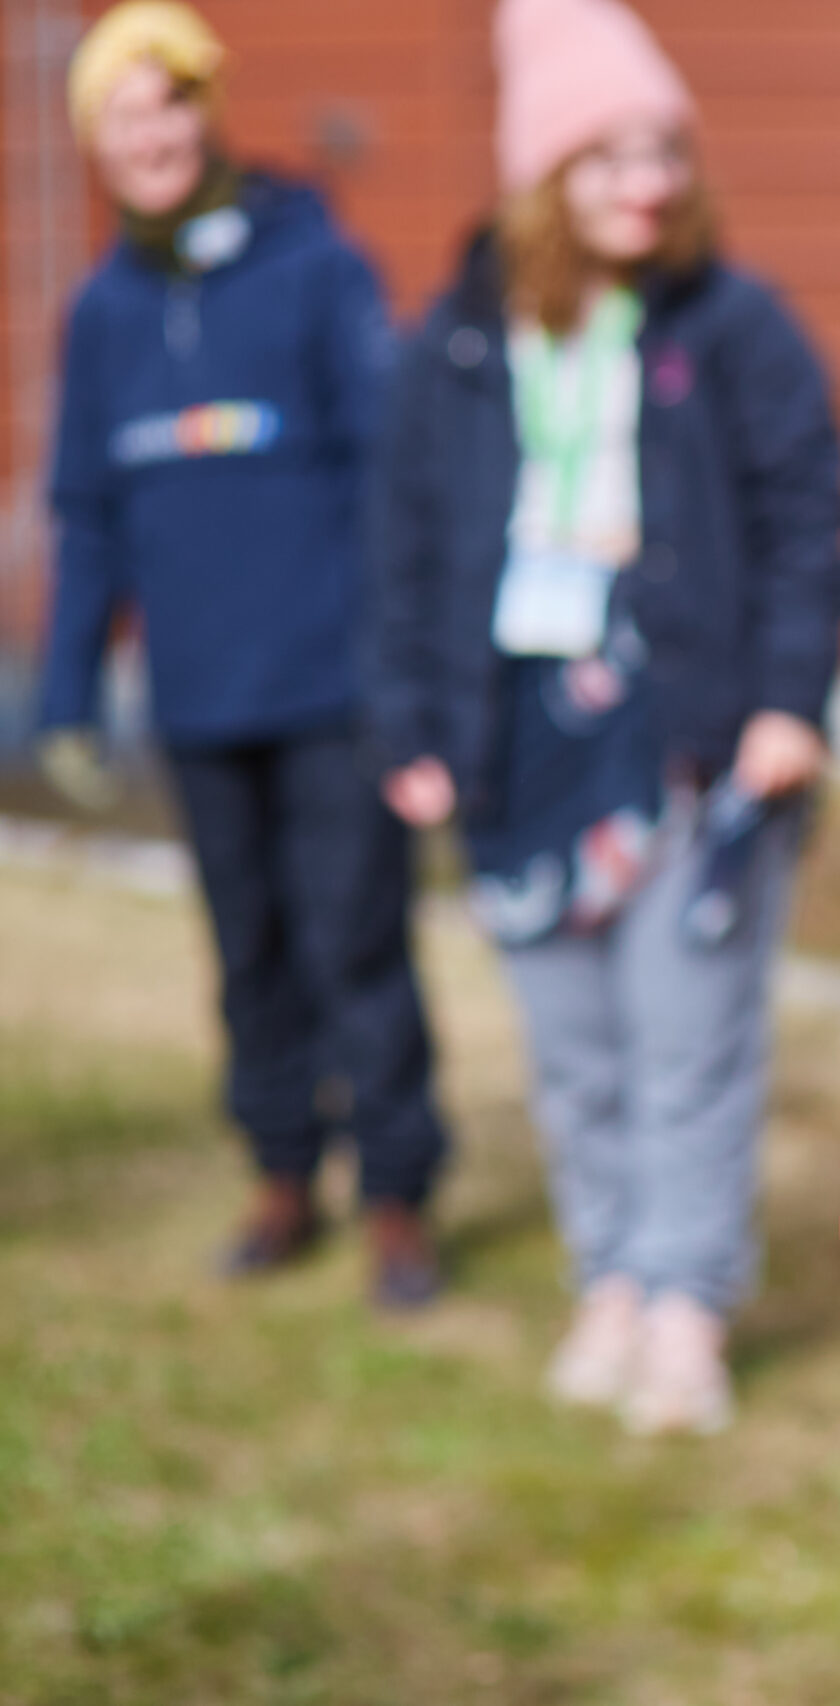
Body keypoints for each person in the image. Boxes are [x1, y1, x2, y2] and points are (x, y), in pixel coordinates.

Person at [366, 0, 840, 1435]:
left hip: (688, 736)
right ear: (541, 175)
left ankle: (687, 1301)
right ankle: (612, 1282)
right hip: (518, 741)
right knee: (573, 1048)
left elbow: (808, 520)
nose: (645, 182)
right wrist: (409, 726)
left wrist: (789, 701)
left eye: (665, 151)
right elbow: (397, 547)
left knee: (685, 1036)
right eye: (607, 156)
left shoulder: (736, 325)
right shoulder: (454, 343)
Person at [35, 1, 447, 1308]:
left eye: (167, 106)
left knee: (357, 943)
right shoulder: (101, 313)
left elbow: (389, 475)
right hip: (199, 701)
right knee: (247, 947)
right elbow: (87, 509)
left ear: (207, 112)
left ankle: (396, 1196)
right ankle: (282, 1172)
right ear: (95, 145)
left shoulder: (315, 264)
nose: (147, 137)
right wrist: (69, 689)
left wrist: (402, 665)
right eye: (119, 118)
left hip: (332, 692)